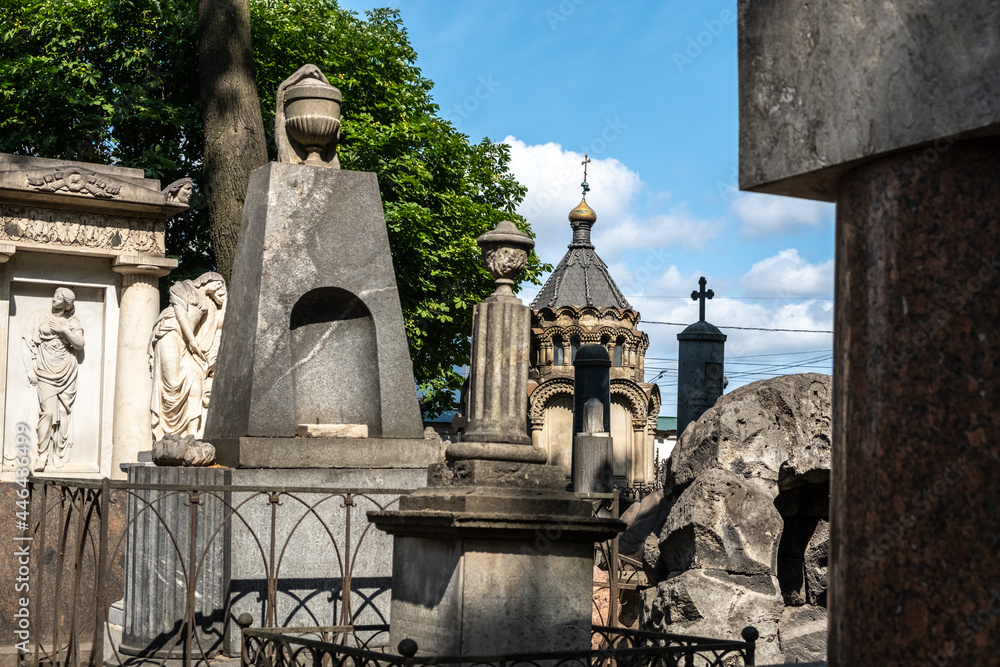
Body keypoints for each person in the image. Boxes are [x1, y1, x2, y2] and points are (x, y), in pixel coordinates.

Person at [149, 272, 227, 441]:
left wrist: (226, 300)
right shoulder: (182, 288)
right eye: (219, 285)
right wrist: (192, 341)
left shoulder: (210, 305)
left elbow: (223, 320)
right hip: (170, 333)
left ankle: (191, 433)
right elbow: (180, 314)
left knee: (195, 380)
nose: (221, 290)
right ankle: (168, 432)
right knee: (172, 382)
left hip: (187, 344)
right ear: (208, 280)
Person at [23, 287, 85, 471]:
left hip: (66, 369)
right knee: (48, 413)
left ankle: (57, 454)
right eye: (55, 295)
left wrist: (64, 330)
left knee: (63, 414)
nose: (54, 299)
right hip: (45, 370)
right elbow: (28, 341)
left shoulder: (72, 321)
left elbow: (80, 344)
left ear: (66, 304)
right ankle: (42, 455)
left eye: (59, 297)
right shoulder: (40, 316)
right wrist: (29, 368)